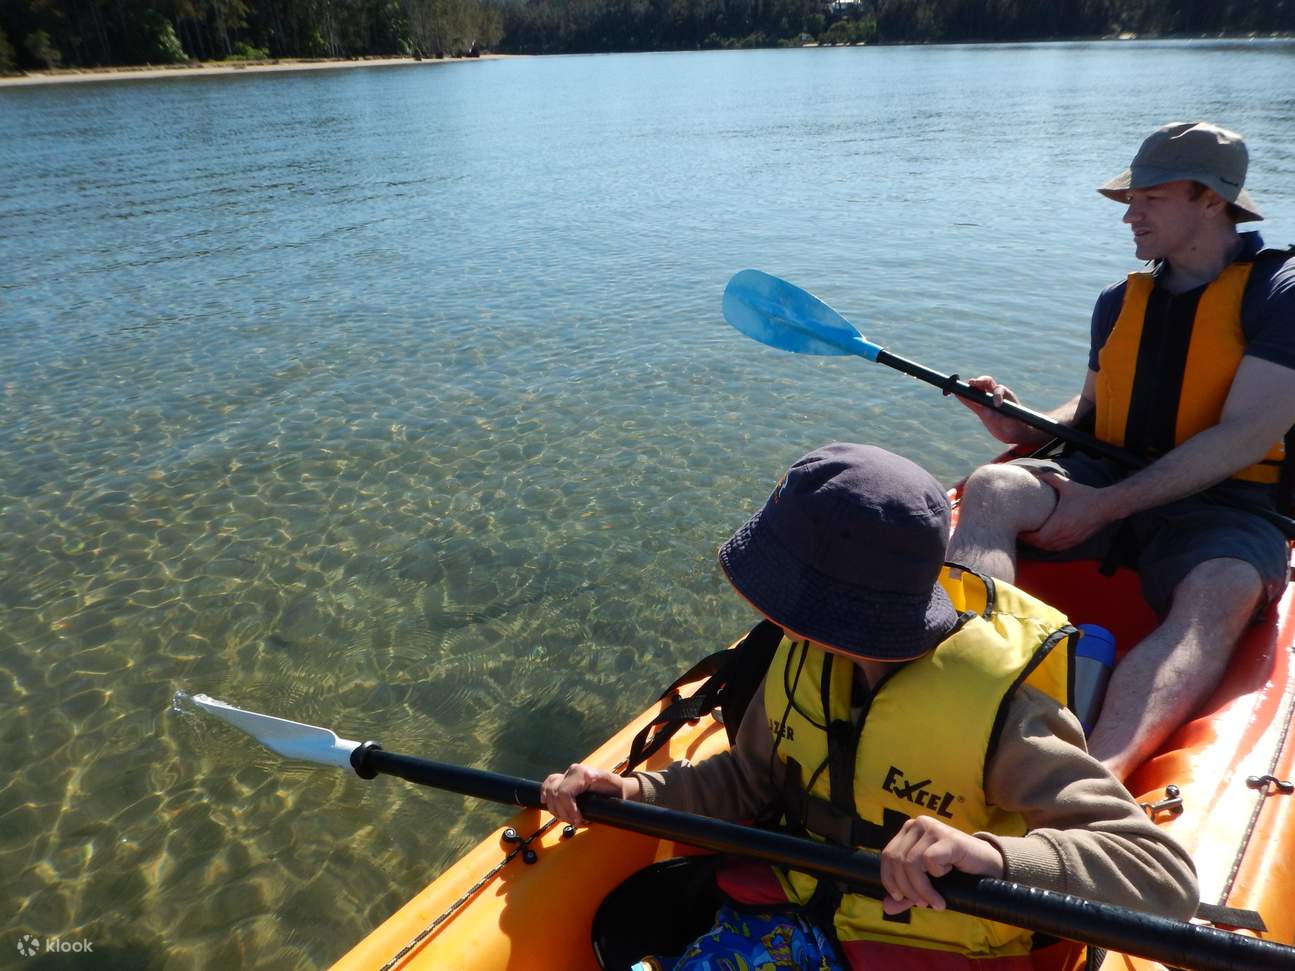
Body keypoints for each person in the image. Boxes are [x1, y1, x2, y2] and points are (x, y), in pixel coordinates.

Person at [542, 443, 1198, 971]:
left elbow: (1161, 878)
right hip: (789, 920)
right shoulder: (799, 656)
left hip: (930, 952)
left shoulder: (1005, 713)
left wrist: (991, 857)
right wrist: (631, 789)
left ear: (832, 606)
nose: (757, 606)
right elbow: (745, 779)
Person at [948, 121, 1295, 781]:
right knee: (991, 487)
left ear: (1210, 200)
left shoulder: (1280, 294)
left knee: (1220, 588)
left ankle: (1092, 781)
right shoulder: (1117, 301)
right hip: (1105, 480)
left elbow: (1244, 435)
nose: (1129, 215)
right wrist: (1013, 424)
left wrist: (1105, 505)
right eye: (1129, 200)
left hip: (1225, 503)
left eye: (1149, 198)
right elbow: (1087, 416)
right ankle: (956, 684)